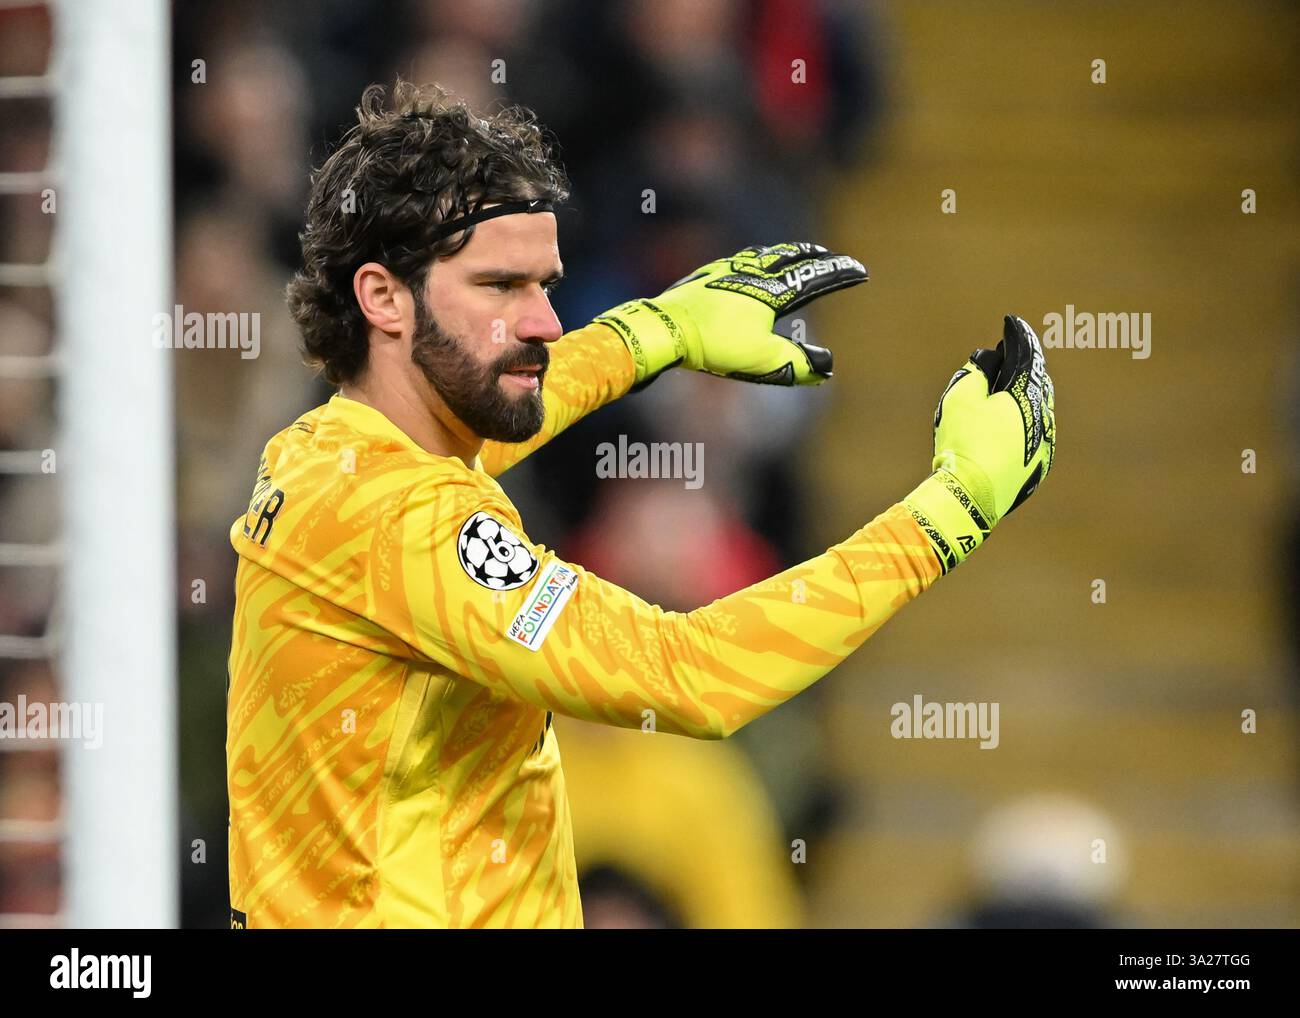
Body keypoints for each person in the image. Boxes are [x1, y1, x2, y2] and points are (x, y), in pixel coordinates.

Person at [226, 80, 1056, 928]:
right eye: (500, 285)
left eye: (544, 284)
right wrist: (950, 514)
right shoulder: (401, 518)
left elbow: (491, 421)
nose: (545, 321)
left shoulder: (322, 453)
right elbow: (684, 675)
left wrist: (659, 330)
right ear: (383, 298)